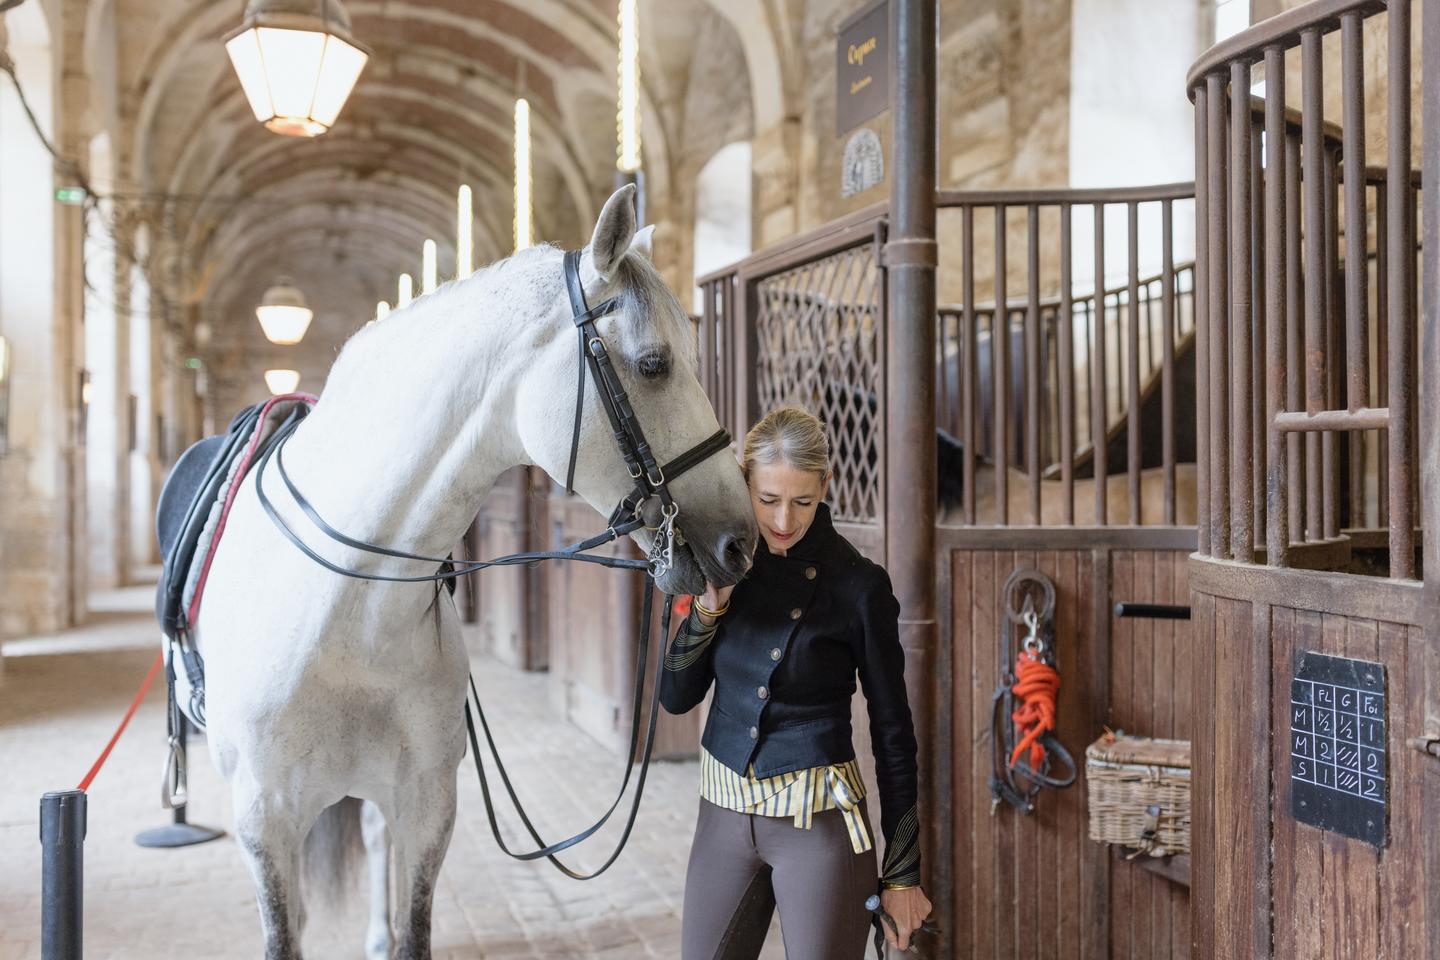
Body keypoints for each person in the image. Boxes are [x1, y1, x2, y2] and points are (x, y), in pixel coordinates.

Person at [660, 404, 933, 960]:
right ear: (744, 483)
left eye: (803, 501)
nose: (785, 519)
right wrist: (708, 612)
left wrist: (902, 872)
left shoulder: (860, 587)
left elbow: (894, 735)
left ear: (825, 486)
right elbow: (674, 698)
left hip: (821, 832)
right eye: (768, 500)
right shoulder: (725, 566)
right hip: (722, 813)